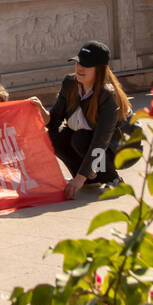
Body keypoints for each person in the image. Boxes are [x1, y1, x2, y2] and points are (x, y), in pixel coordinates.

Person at [46, 41, 133, 198]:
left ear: (99, 70)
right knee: (54, 136)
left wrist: (79, 178)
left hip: (117, 147)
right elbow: (53, 122)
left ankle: (112, 178)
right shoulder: (70, 83)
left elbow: (101, 141)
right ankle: (89, 179)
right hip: (89, 143)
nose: (80, 68)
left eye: (86, 65)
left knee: (81, 138)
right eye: (78, 63)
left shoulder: (108, 95)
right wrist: (39, 110)